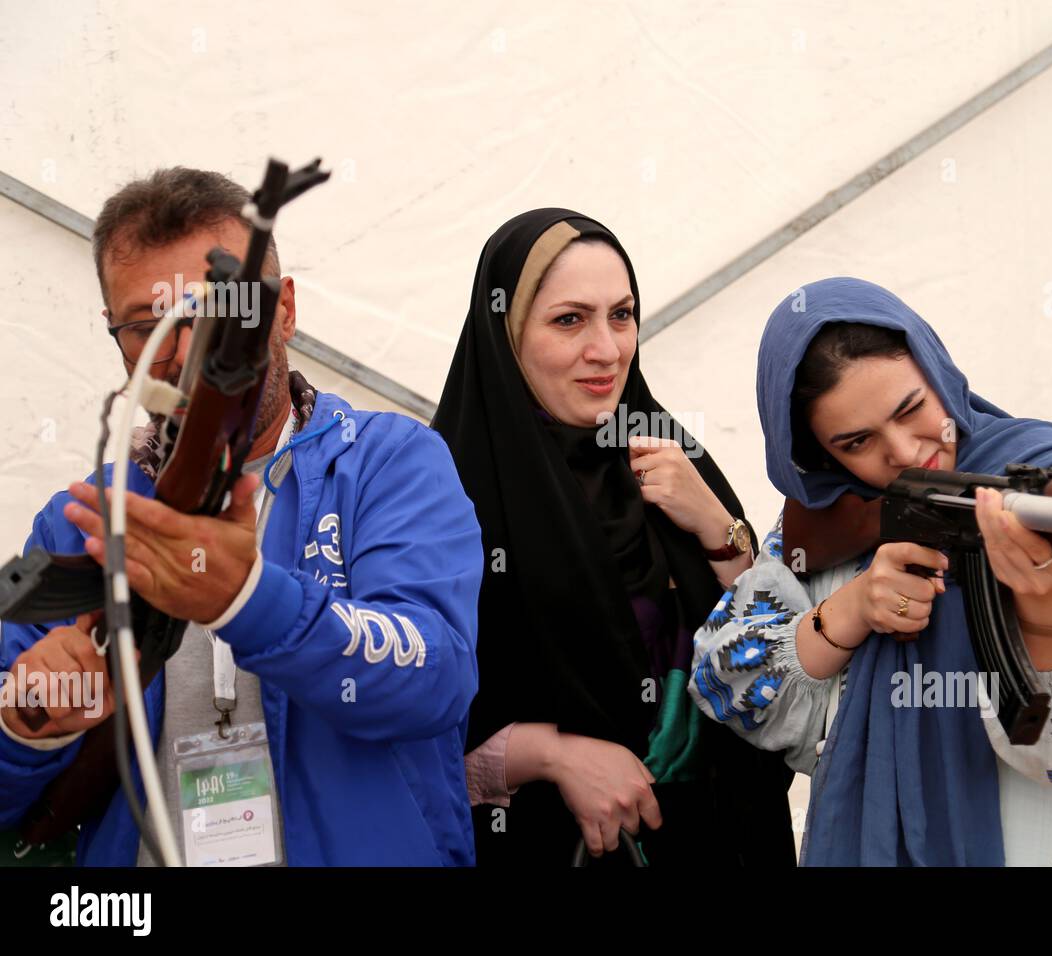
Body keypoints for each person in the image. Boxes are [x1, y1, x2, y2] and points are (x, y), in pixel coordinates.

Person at [0, 167, 483, 866]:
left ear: (283, 310)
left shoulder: (391, 463)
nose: (182, 351)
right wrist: (26, 725)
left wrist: (249, 601)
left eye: (212, 314)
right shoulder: (85, 517)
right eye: (146, 327)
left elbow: (434, 682)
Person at [690, 277, 1052, 866]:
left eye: (911, 408)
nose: (903, 450)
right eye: (856, 442)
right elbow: (728, 686)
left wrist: (1051, 608)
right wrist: (850, 610)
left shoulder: (1047, 488)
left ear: (936, 368)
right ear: (821, 455)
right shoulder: (831, 519)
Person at [433, 208, 795, 865]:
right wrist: (554, 756)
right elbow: (407, 745)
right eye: (569, 319)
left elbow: (788, 670)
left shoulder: (673, 457)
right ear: (506, 333)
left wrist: (720, 531)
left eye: (621, 314)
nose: (607, 349)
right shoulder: (442, 493)